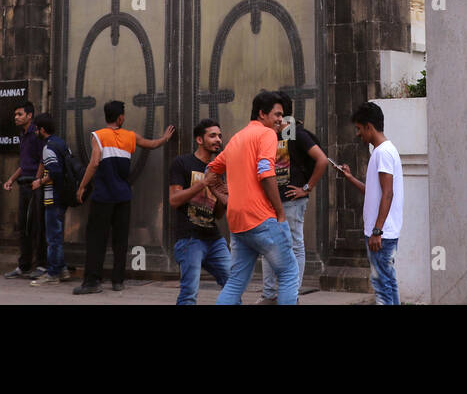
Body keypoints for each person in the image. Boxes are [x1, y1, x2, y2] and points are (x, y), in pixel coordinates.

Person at [203, 91, 298, 305]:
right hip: (262, 218)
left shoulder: (237, 138)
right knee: (289, 273)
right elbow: (265, 171)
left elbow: (210, 170)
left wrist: (225, 196)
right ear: (262, 114)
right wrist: (280, 213)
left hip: (238, 223)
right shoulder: (267, 134)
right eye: (277, 114)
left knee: (236, 282)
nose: (280, 120)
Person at [72, 101, 174, 295]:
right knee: (120, 239)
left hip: (103, 196)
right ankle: (118, 281)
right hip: (123, 196)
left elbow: (94, 163)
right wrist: (165, 138)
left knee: (96, 238)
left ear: (107, 116)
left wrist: (82, 186)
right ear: (120, 118)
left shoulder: (98, 136)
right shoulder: (131, 136)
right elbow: (151, 144)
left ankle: (92, 281)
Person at [259, 91, 328, 302]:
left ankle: (292, 294)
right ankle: (269, 294)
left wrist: (306, 188)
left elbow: (322, 160)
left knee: (294, 243)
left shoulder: (296, 133)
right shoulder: (269, 134)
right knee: (268, 245)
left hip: (292, 199)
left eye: (278, 112)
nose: (276, 118)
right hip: (271, 198)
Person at [335, 102, 404, 306]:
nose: (358, 134)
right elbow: (377, 192)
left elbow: (388, 193)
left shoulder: (382, 153)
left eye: (359, 128)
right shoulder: (385, 151)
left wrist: (377, 231)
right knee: (388, 283)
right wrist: (350, 178)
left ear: (369, 127)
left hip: (381, 235)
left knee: (382, 286)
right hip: (385, 232)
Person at [168, 119, 230, 305]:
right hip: (190, 239)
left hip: (214, 238)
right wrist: (203, 183)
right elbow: (174, 200)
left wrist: (221, 195)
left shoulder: (218, 169)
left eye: (219, 136)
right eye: (212, 135)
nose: (218, 139)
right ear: (199, 140)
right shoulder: (182, 163)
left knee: (233, 282)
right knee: (189, 294)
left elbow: (218, 214)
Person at [2, 100, 46, 279]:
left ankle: (42, 265)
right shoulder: (23, 135)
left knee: (37, 226)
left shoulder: (36, 134)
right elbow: (24, 163)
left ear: (29, 116)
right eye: (15, 115)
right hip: (24, 184)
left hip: (35, 185)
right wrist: (11, 179)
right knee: (24, 226)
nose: (16, 118)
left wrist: (37, 180)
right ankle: (24, 265)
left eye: (19, 114)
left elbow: (43, 160)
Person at [30, 114, 75, 286]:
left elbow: (55, 172)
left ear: (42, 130)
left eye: (36, 128)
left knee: (53, 237)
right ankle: (61, 269)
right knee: (56, 235)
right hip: (62, 196)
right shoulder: (61, 143)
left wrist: (39, 182)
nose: (35, 131)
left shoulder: (48, 147)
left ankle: (52, 273)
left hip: (53, 198)